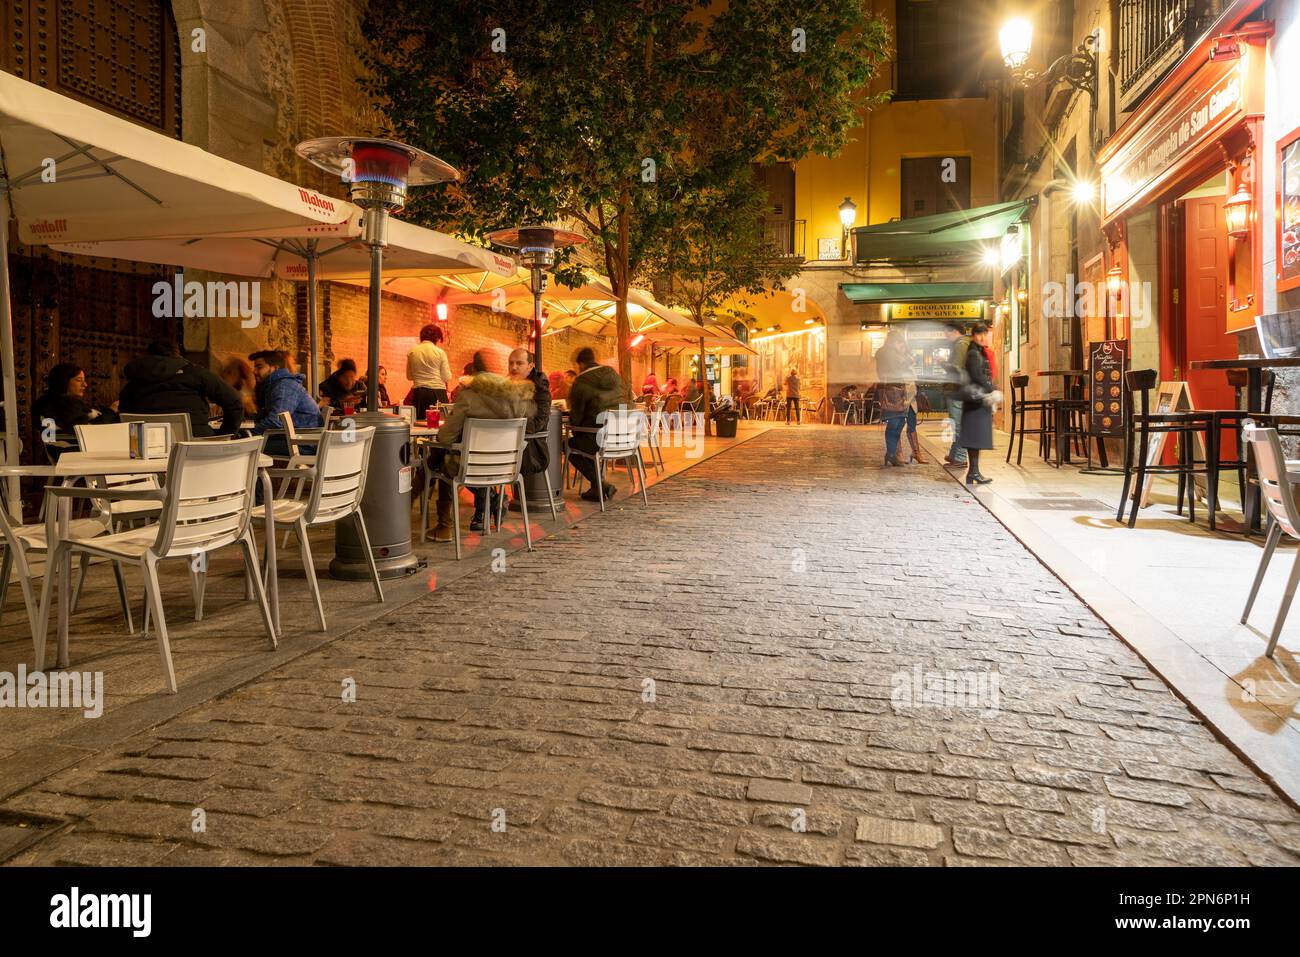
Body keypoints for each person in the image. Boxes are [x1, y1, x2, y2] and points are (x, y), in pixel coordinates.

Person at [430, 351, 536, 538]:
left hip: (472, 467)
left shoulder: (469, 395)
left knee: (440, 459)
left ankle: (443, 526)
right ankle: (493, 499)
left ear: (474, 372)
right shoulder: (518, 397)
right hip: (507, 467)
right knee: (448, 458)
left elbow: (446, 437)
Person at [119, 339, 243, 437]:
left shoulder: (132, 385)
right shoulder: (195, 373)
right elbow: (234, 401)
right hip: (198, 447)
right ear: (177, 354)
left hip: (148, 452)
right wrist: (224, 435)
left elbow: (124, 417)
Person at [567, 347, 626, 502]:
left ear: (580, 364)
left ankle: (601, 485)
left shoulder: (580, 382)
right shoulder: (614, 375)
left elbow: (576, 419)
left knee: (568, 445)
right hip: (622, 437)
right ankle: (596, 488)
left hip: (598, 439)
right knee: (583, 442)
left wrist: (574, 427)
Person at [249, 349, 322, 456]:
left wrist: (249, 434)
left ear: (275, 368)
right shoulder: (275, 386)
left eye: (259, 367)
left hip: (304, 443)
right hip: (293, 438)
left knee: (244, 449)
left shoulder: (284, 386)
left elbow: (276, 421)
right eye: (254, 367)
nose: (254, 371)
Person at [957, 322, 1002, 486]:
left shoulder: (977, 351)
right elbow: (978, 376)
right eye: (979, 334)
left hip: (976, 401)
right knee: (975, 438)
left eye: (985, 334)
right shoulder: (974, 354)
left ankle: (973, 472)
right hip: (976, 400)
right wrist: (992, 390)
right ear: (973, 335)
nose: (983, 337)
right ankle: (973, 472)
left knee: (976, 438)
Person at [508, 348, 552, 510]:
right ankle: (489, 501)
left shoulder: (540, 389)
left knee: (474, 459)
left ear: (530, 366)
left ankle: (488, 502)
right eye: (511, 363)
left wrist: (511, 427)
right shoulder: (506, 386)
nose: (513, 367)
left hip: (531, 449)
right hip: (506, 444)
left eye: (519, 363)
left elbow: (540, 422)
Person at [874, 330, 924, 466]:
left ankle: (891, 454)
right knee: (894, 423)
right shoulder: (885, 353)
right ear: (893, 342)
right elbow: (893, 369)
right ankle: (891, 454)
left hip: (902, 394)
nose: (901, 345)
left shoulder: (895, 354)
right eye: (899, 342)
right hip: (893, 393)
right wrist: (908, 360)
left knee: (899, 422)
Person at [32, 363, 118, 435]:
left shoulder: (42, 402)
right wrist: (111, 410)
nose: (85, 384)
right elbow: (88, 431)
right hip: (73, 452)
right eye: (79, 380)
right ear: (64, 381)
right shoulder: (65, 404)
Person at [941, 322, 972, 467]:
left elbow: (957, 369)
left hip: (957, 389)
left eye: (946, 333)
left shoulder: (960, 345)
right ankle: (955, 454)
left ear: (954, 331)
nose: (945, 336)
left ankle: (960, 457)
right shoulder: (965, 343)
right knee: (956, 424)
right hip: (961, 389)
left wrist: (943, 363)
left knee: (958, 425)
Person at [407, 323, 453, 418]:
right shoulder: (440, 352)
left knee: (419, 424)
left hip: (419, 393)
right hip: (437, 393)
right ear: (436, 338)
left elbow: (409, 376)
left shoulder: (412, 352)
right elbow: (446, 377)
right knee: (439, 424)